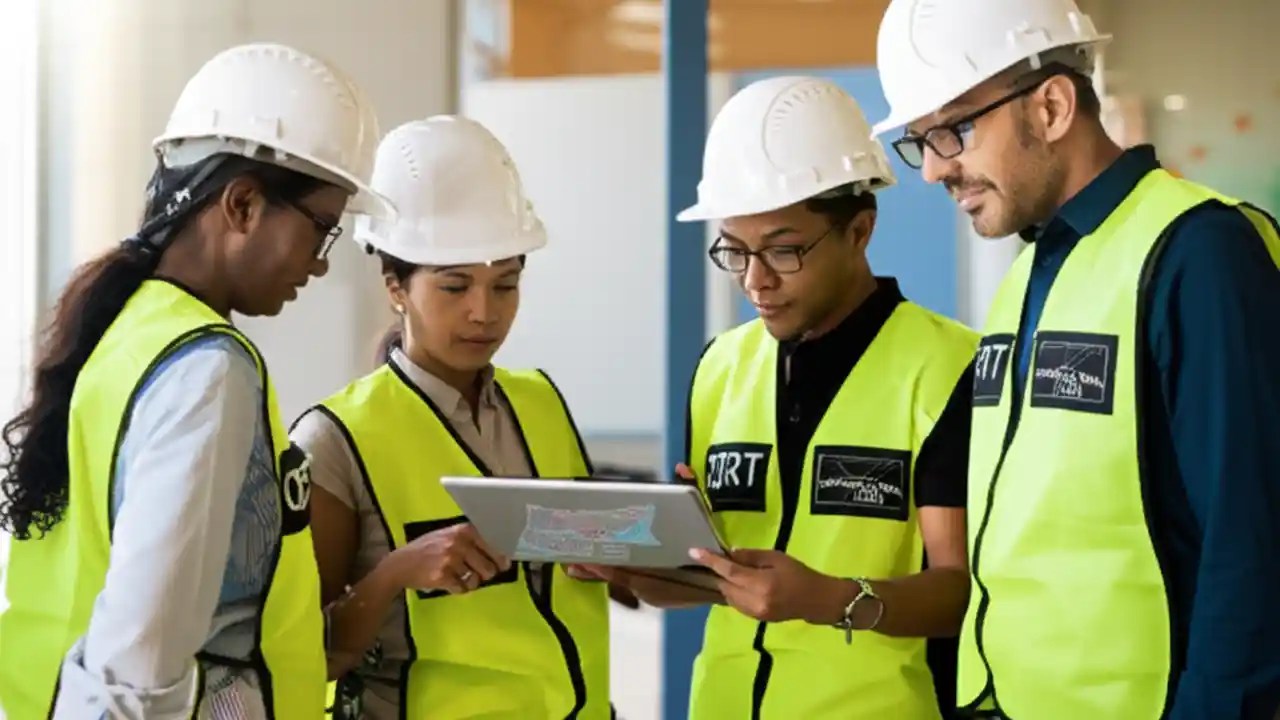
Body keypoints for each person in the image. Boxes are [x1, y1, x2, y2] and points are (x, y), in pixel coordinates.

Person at [871, 1, 1280, 718]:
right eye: (920, 142)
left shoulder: (1200, 253)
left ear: (1053, 106)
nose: (934, 169)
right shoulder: (1030, 276)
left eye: (952, 130)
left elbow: (1252, 541)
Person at [0, 42, 390, 718]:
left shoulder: (127, 328)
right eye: (321, 230)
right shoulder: (209, 370)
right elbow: (142, 659)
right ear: (241, 205)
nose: (321, 264)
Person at [579, 76, 978, 719]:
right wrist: (640, 571)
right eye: (734, 252)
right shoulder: (720, 368)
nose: (756, 281)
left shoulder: (949, 367)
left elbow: (960, 594)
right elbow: (722, 584)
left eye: (784, 251)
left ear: (860, 231)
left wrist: (828, 598)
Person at [290, 116, 611, 719]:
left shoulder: (539, 401)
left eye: (506, 285)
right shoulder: (335, 439)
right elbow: (302, 653)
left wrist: (648, 541)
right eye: (455, 287)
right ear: (395, 286)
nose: (483, 313)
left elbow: (591, 576)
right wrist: (393, 574)